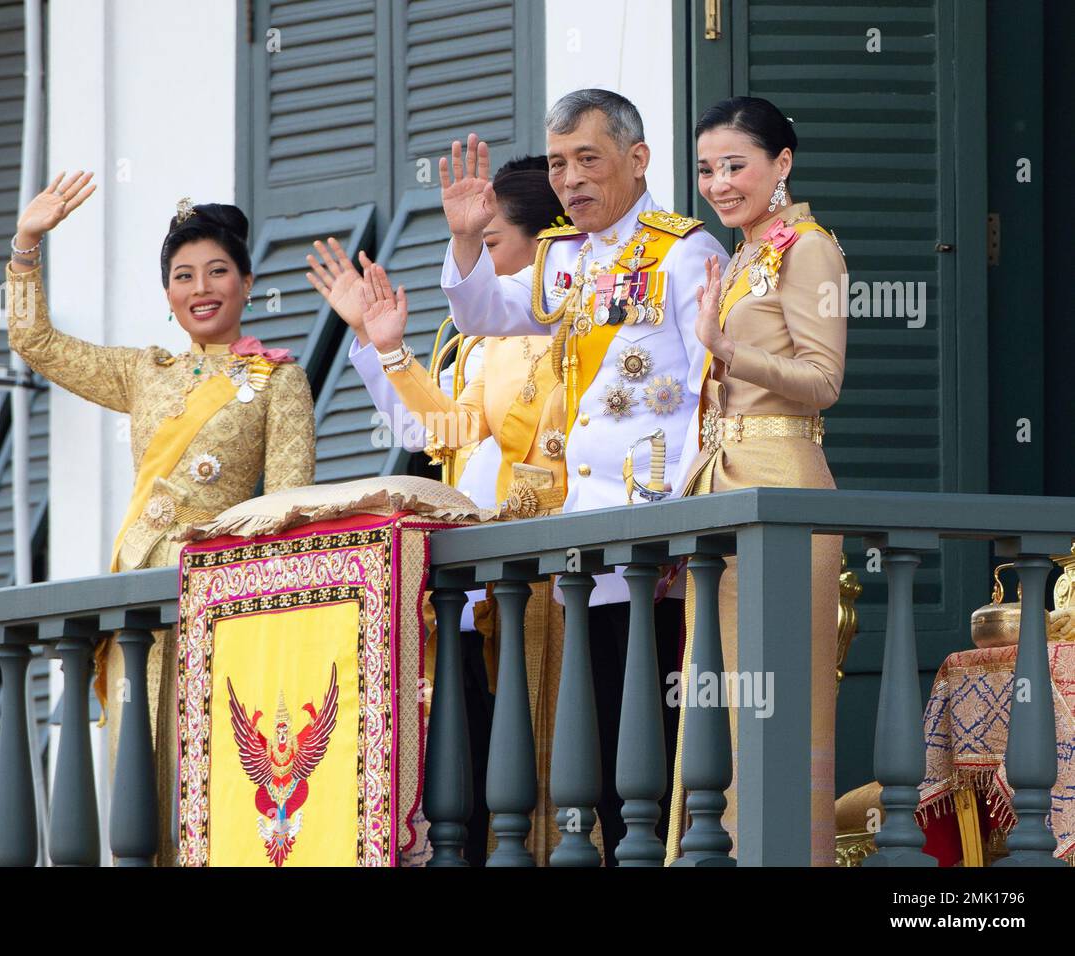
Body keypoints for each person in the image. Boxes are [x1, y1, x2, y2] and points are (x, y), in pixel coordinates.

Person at [435, 89, 729, 865]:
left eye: (587, 160)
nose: (570, 179)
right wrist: (467, 242)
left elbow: (714, 389)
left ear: (636, 161)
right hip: (584, 531)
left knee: (653, 735)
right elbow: (483, 315)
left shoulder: (685, 251)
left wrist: (688, 510)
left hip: (655, 528)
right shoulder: (566, 256)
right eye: (559, 163)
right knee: (599, 734)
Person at [5, 172, 316, 865]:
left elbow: (288, 508)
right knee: (134, 769)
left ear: (244, 281)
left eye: (216, 271)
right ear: (168, 293)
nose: (200, 287)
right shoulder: (145, 372)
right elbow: (38, 343)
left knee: (211, 773)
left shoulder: (280, 379)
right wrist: (27, 242)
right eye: (183, 275)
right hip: (138, 590)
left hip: (222, 593)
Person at [306, 155, 571, 865]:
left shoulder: (567, 326)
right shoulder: (482, 340)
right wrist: (381, 345)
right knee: (472, 768)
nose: (483, 262)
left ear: (547, 242)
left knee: (545, 766)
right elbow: (439, 433)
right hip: (470, 578)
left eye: (491, 244)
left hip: (545, 569)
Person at [665, 96, 847, 866]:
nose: (718, 182)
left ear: (783, 163)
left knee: (776, 705)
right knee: (718, 698)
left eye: (736, 165)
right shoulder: (743, 255)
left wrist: (724, 348)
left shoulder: (809, 249)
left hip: (782, 480)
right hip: (726, 484)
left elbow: (823, 380)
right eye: (707, 168)